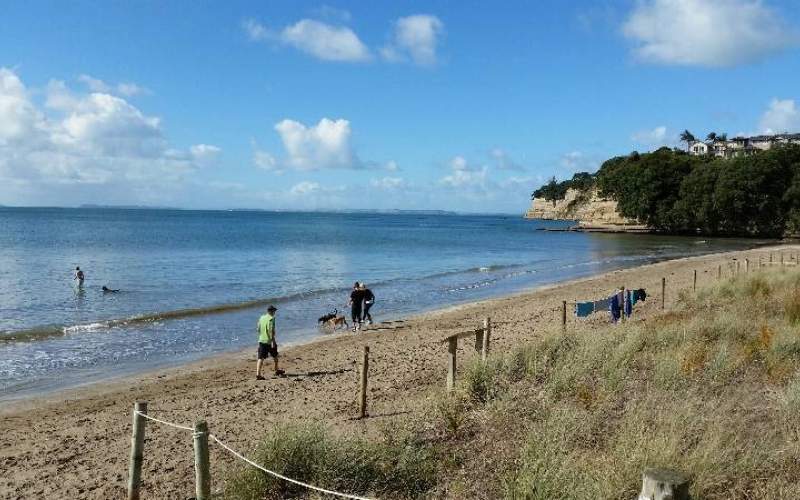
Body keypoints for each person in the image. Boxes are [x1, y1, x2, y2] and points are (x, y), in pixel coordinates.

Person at [256, 305, 284, 379]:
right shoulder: (272, 319)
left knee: (260, 357)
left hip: (261, 340)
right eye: (274, 311)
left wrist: (262, 335)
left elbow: (258, 328)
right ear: (271, 311)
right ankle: (276, 369)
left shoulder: (262, 317)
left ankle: (258, 374)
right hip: (269, 341)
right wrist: (273, 341)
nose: (275, 312)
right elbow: (270, 330)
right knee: (275, 355)